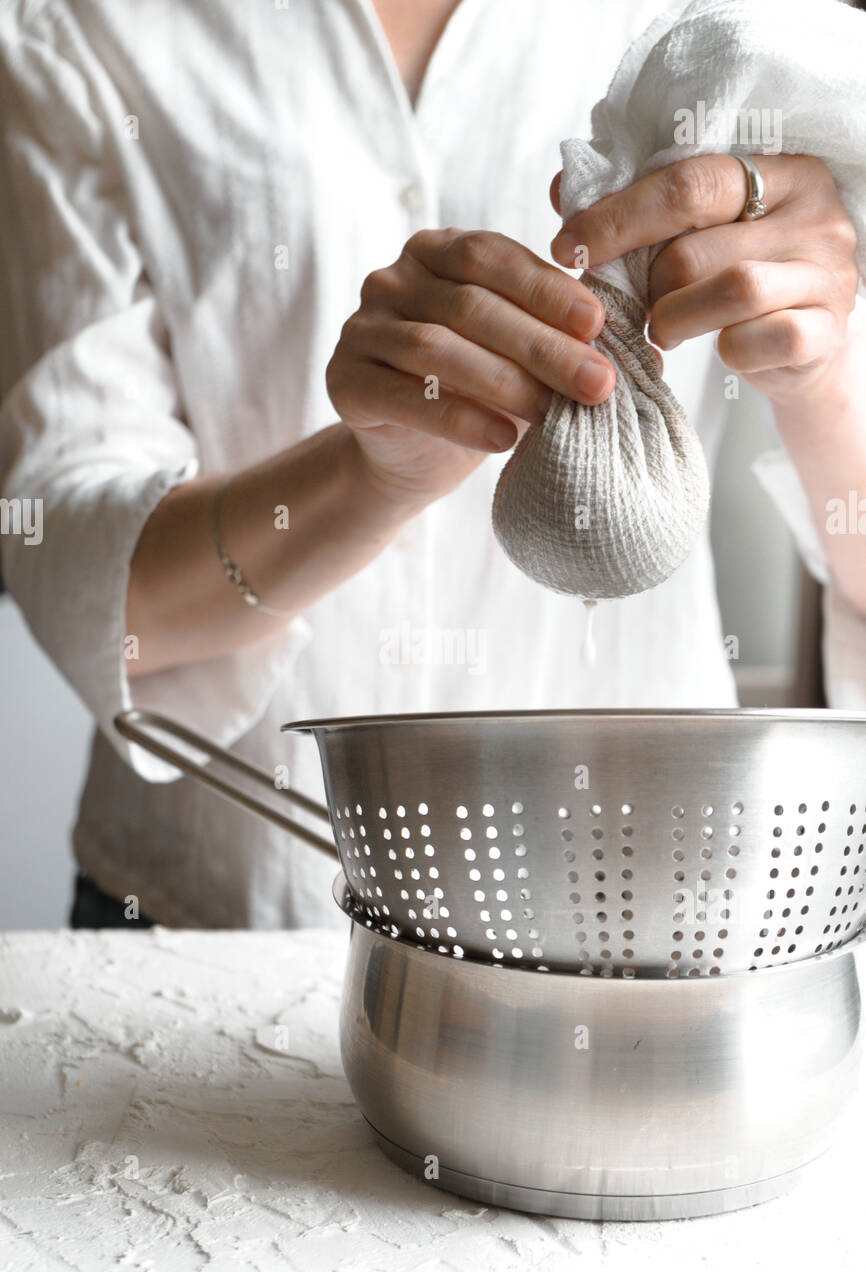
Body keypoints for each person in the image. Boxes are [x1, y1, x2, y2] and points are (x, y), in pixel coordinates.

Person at [1, 0, 864, 932]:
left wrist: (819, 369)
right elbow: (79, 570)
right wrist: (371, 479)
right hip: (220, 916)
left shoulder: (728, 27)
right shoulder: (78, 25)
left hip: (648, 918)